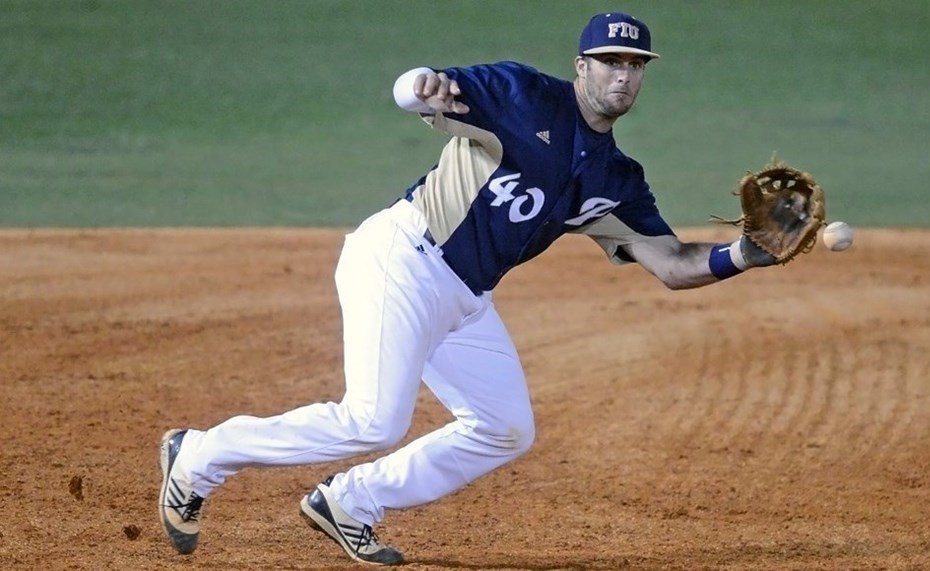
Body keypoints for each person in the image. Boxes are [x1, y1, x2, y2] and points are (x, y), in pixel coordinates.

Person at [158, 12, 776, 566]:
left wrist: (745, 254)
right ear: (581, 66)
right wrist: (417, 82)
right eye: (611, 62)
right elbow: (428, 91)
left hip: (464, 298)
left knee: (504, 427)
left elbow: (671, 262)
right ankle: (199, 456)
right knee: (372, 420)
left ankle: (351, 501)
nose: (623, 76)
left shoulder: (618, 178)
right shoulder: (523, 95)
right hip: (402, 259)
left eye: (635, 66)